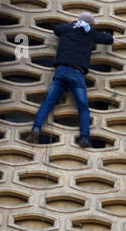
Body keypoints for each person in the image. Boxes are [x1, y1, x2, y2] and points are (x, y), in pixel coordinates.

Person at [23, 11, 114, 148]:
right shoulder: (90, 33)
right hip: (77, 73)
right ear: (89, 24)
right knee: (82, 107)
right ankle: (84, 137)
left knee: (48, 102)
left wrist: (72, 25)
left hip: (61, 71)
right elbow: (109, 39)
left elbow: (57, 29)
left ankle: (36, 128)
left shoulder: (68, 29)